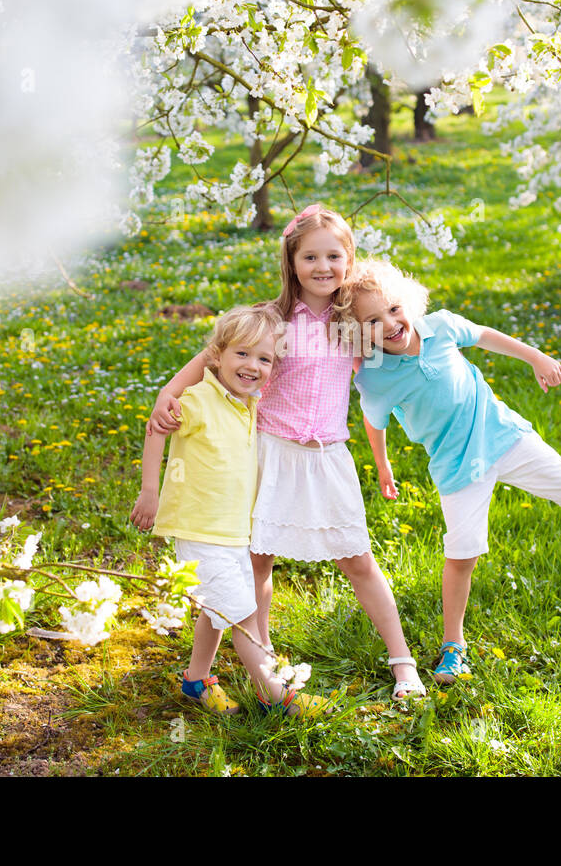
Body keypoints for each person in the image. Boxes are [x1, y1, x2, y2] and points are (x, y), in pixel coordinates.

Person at [337, 258, 561, 685]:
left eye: (392, 308)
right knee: (462, 556)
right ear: (356, 335)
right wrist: (383, 465)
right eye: (371, 321)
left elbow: (483, 336)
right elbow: (375, 420)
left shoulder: (440, 327)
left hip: (504, 436)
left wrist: (535, 357)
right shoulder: (374, 377)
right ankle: (453, 646)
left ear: (407, 302)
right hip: (457, 467)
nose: (389, 323)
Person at [148, 205, 425, 701]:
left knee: (358, 559)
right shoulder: (272, 321)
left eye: (334, 256)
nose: (323, 267)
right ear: (291, 263)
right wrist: (167, 400)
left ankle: (403, 663)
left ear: (350, 259)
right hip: (268, 454)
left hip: (328, 456)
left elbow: (408, 344)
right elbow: (200, 366)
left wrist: (401, 314)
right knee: (254, 562)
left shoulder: (354, 325)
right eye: (310, 256)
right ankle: (260, 662)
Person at [131, 304, 327, 716]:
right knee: (241, 615)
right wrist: (150, 491)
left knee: (218, 609)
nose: (252, 365)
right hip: (199, 529)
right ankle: (278, 696)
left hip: (234, 531)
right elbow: (156, 429)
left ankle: (196, 680)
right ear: (216, 356)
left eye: (264, 359)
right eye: (242, 353)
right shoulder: (197, 399)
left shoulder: (250, 404)